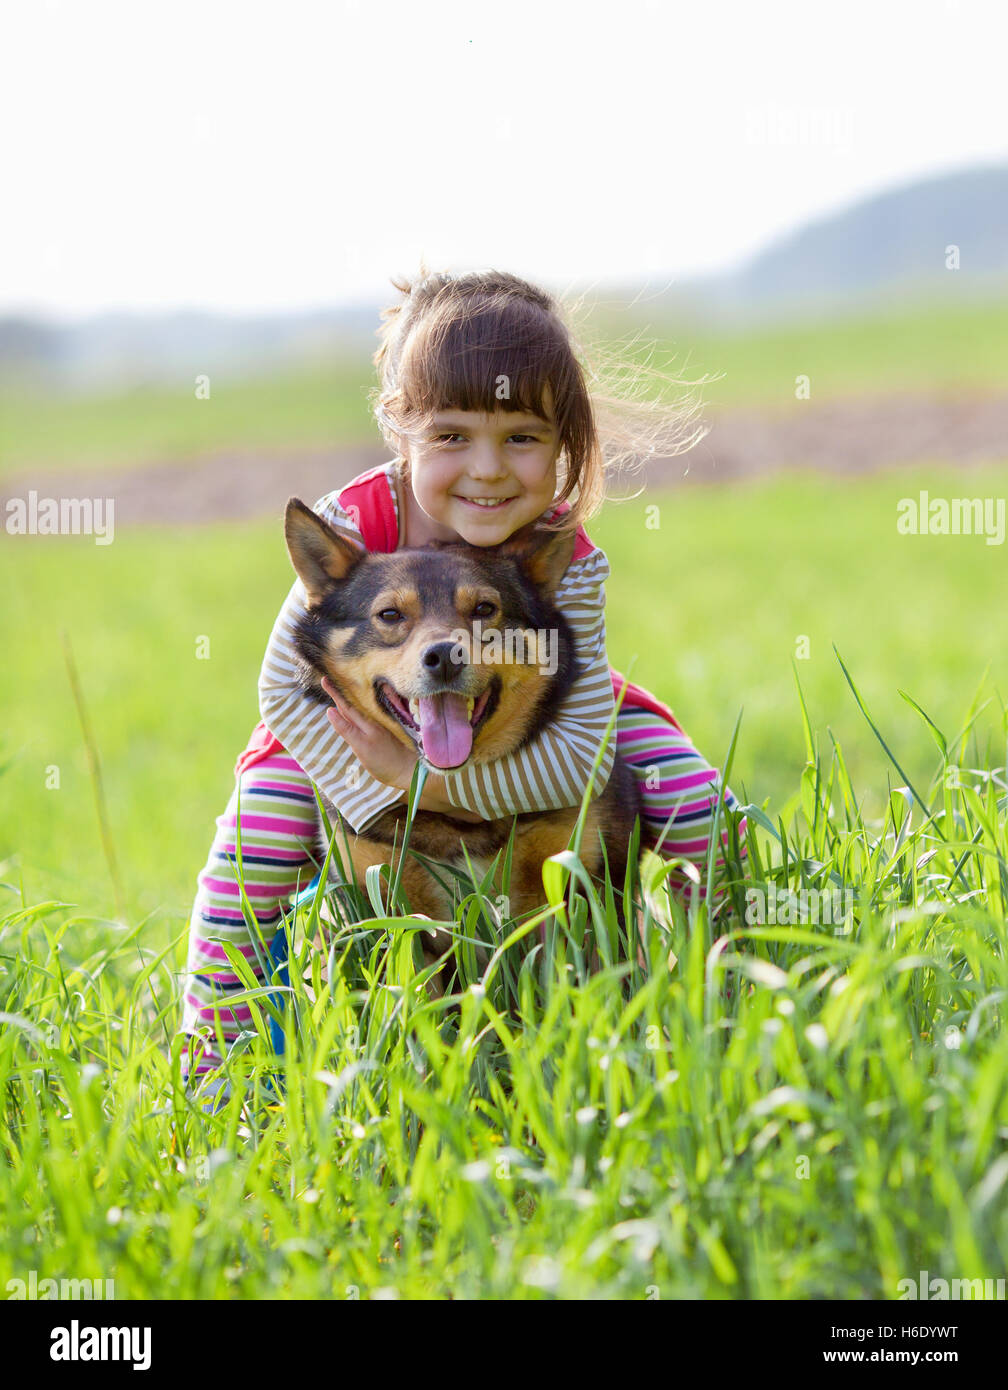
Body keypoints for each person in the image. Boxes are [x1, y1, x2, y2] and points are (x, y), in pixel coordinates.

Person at [178, 267, 747, 1090]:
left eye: (521, 437)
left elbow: (581, 754)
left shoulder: (563, 558)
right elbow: (283, 694)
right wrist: (381, 785)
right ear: (401, 435)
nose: (487, 470)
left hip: (559, 714)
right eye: (452, 437)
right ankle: (216, 1060)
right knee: (256, 840)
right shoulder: (352, 527)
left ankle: (731, 1006)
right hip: (341, 724)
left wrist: (423, 781)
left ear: (566, 447)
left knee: (699, 806)